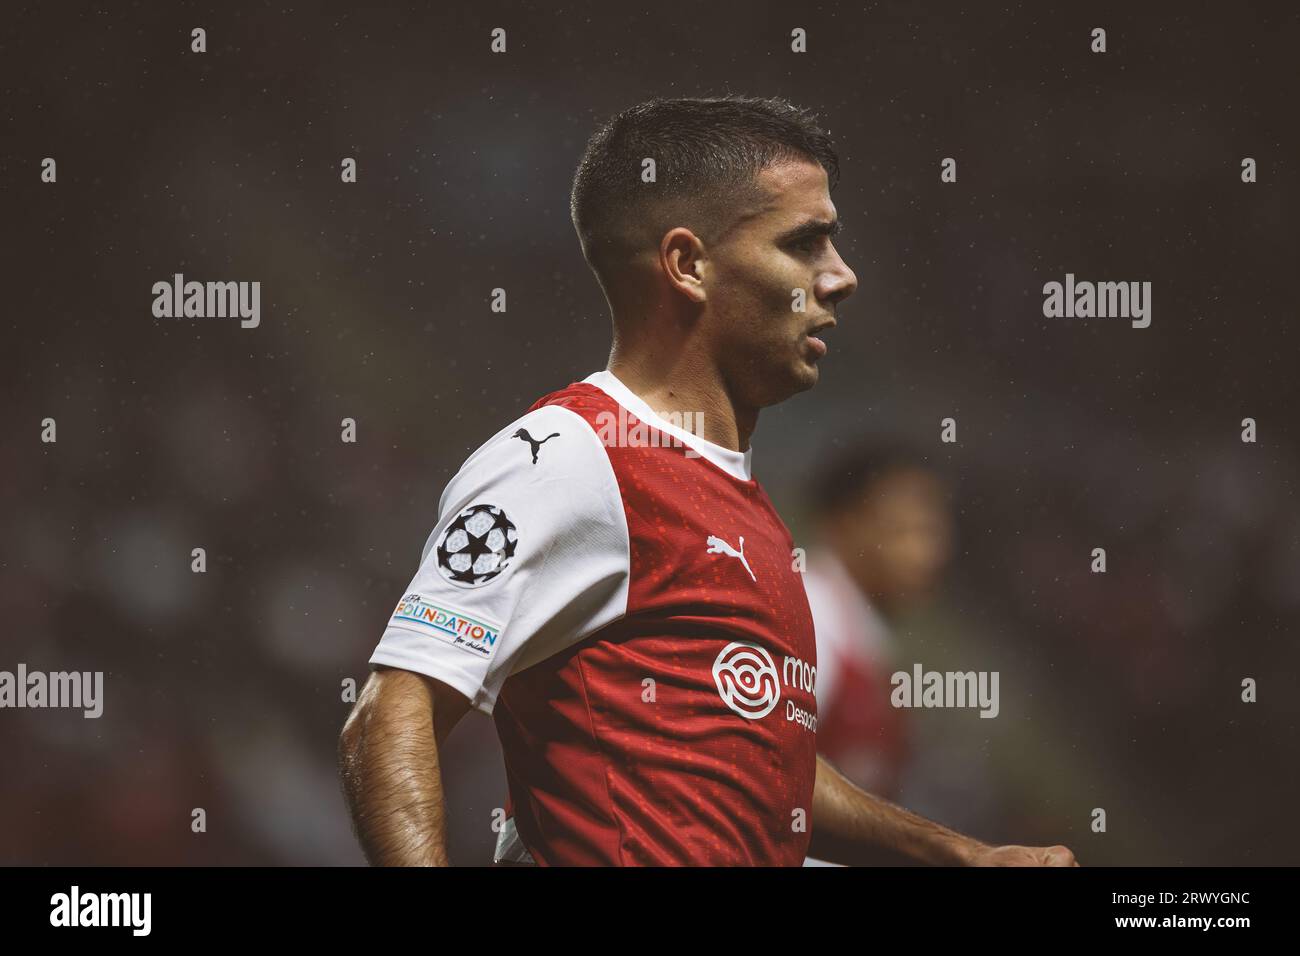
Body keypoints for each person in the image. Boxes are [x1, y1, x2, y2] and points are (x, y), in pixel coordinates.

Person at [338, 95, 1078, 867]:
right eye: (805, 244)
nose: (843, 277)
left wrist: (961, 856)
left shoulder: (750, 513)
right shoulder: (570, 456)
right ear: (688, 266)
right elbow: (393, 712)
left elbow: (766, 783)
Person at [803, 443, 954, 801]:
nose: (930, 555)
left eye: (936, 534)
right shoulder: (809, 619)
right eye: (907, 531)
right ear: (844, 525)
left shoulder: (865, 643)